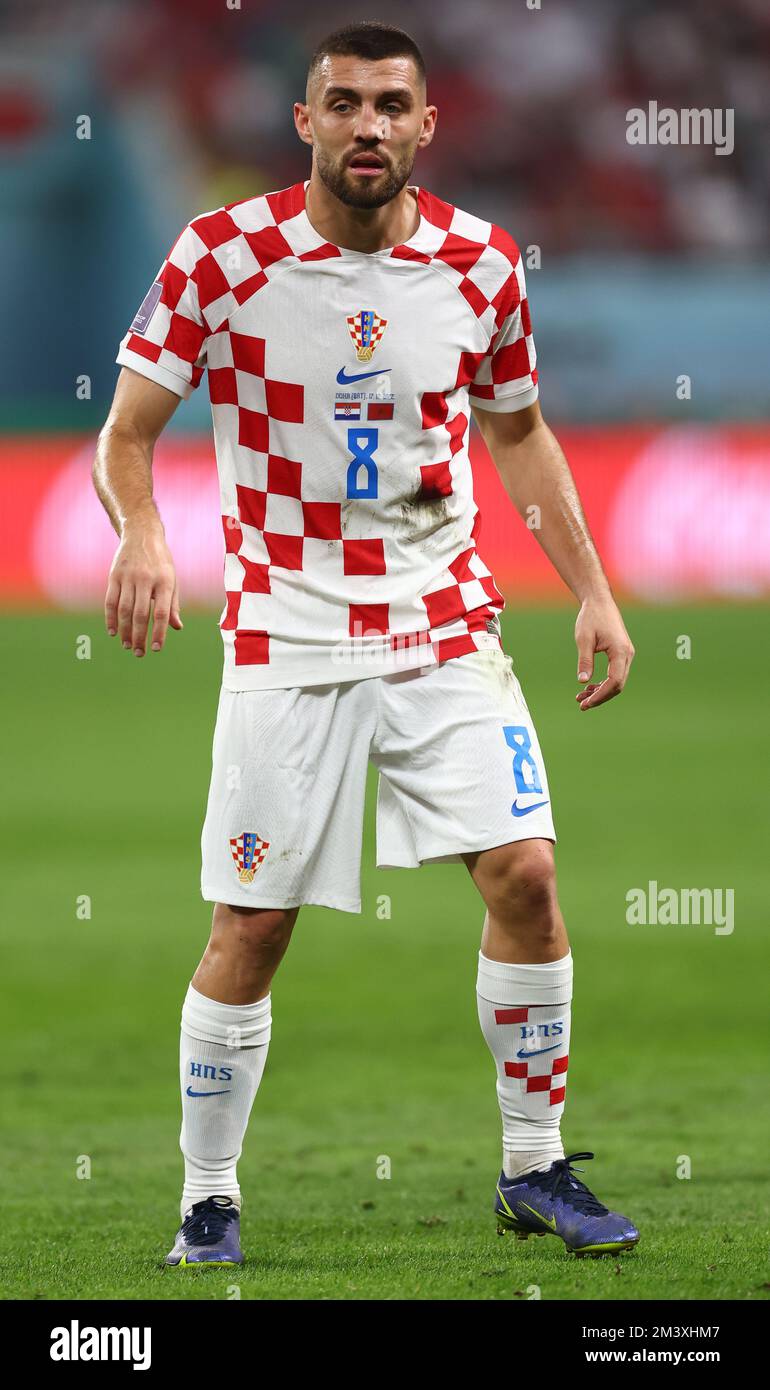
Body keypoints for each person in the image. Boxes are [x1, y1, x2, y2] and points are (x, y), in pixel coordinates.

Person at [93, 20, 638, 1267]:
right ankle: (208, 1196)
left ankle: (532, 1166)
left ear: (425, 124)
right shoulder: (221, 256)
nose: (367, 126)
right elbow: (126, 433)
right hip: (284, 630)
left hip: (442, 620)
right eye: (342, 103)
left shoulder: (479, 264)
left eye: (391, 104)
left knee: (527, 877)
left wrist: (592, 590)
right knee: (252, 927)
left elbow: (519, 435)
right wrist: (140, 532)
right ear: (305, 122)